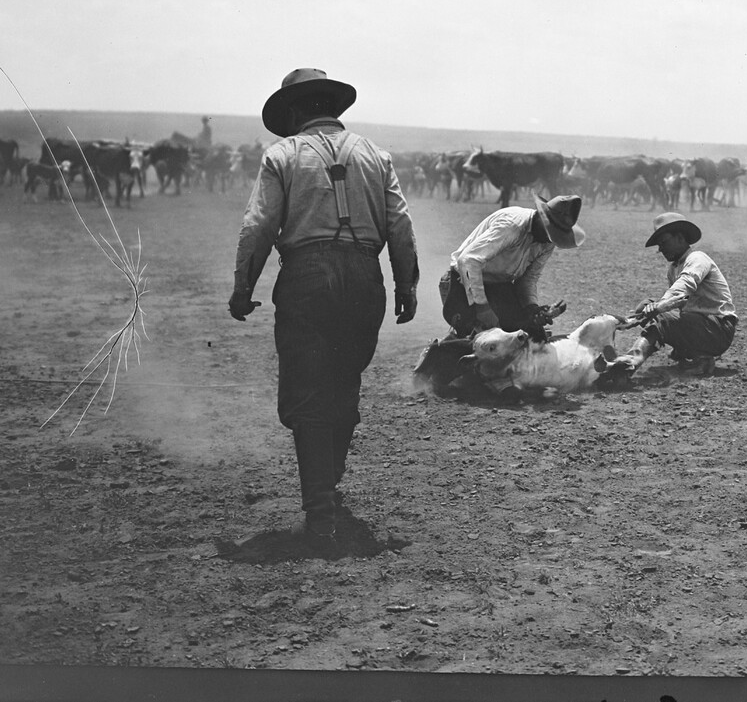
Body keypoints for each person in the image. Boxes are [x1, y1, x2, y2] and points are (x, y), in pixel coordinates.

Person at [229, 68, 420, 546]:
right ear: (331, 108)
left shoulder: (282, 154)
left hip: (307, 278)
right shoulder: (377, 155)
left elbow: (258, 227)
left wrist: (242, 284)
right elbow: (400, 225)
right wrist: (406, 285)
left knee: (308, 392)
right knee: (344, 381)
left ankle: (319, 519)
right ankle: (328, 495)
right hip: (365, 278)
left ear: (295, 111)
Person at [607, 211, 739, 381]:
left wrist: (660, 306)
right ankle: (700, 359)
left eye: (664, 242)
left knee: (661, 316)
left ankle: (629, 364)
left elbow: (685, 285)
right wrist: (641, 313)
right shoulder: (674, 269)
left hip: (719, 329)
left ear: (680, 238)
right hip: (704, 326)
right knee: (651, 309)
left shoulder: (697, 258)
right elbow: (679, 303)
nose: (661, 249)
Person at [440, 194, 585, 342]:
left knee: (529, 336)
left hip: (499, 286)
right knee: (480, 339)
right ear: (542, 218)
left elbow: (528, 280)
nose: (551, 239)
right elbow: (468, 261)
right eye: (551, 231)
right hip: (463, 281)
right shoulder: (512, 225)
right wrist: (483, 308)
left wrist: (533, 310)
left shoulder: (548, 241)